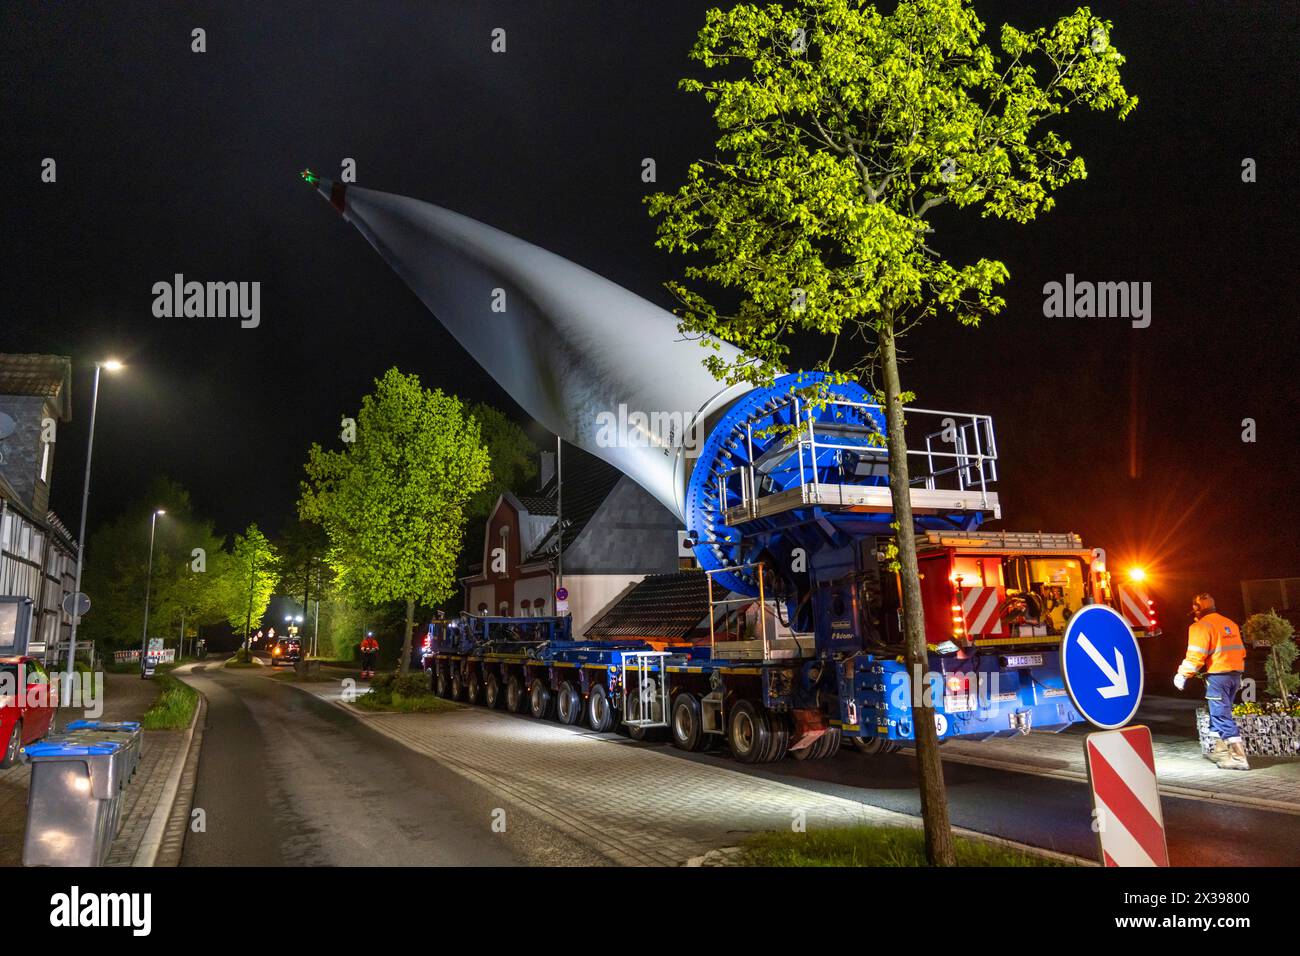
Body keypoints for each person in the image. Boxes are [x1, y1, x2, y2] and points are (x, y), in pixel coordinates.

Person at [1175, 593, 1249, 771]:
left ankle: (1239, 758)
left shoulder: (1200, 627)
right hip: (1235, 675)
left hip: (1218, 676)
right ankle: (1220, 750)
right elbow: (1242, 651)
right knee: (1219, 711)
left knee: (1220, 715)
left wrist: (1183, 674)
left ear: (1196, 608)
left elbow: (1195, 655)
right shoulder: (1229, 623)